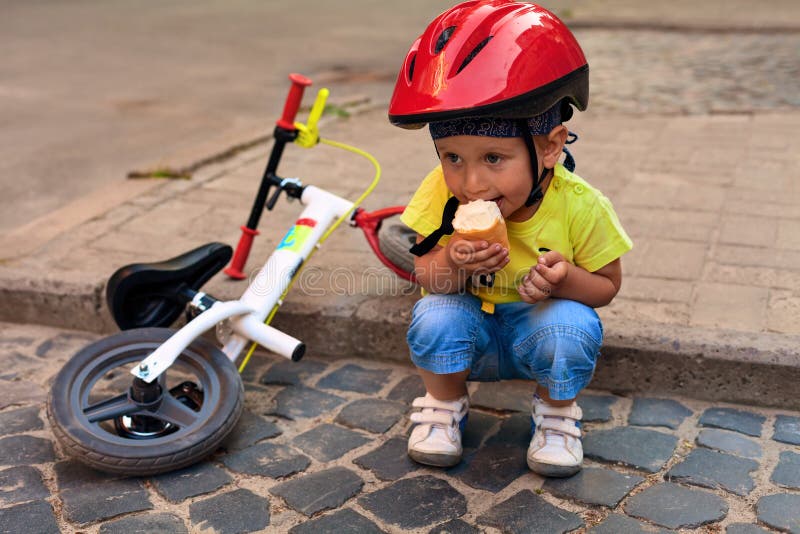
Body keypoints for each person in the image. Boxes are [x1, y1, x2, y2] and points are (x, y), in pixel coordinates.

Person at [388, 0, 633, 477]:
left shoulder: (581, 204)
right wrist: (454, 265)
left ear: (550, 146)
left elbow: (607, 286)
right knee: (432, 313)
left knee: (573, 324)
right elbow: (425, 274)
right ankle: (443, 404)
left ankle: (557, 414)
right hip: (471, 335)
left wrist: (564, 281)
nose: (471, 183)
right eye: (452, 157)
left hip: (537, 330)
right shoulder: (440, 193)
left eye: (494, 158)